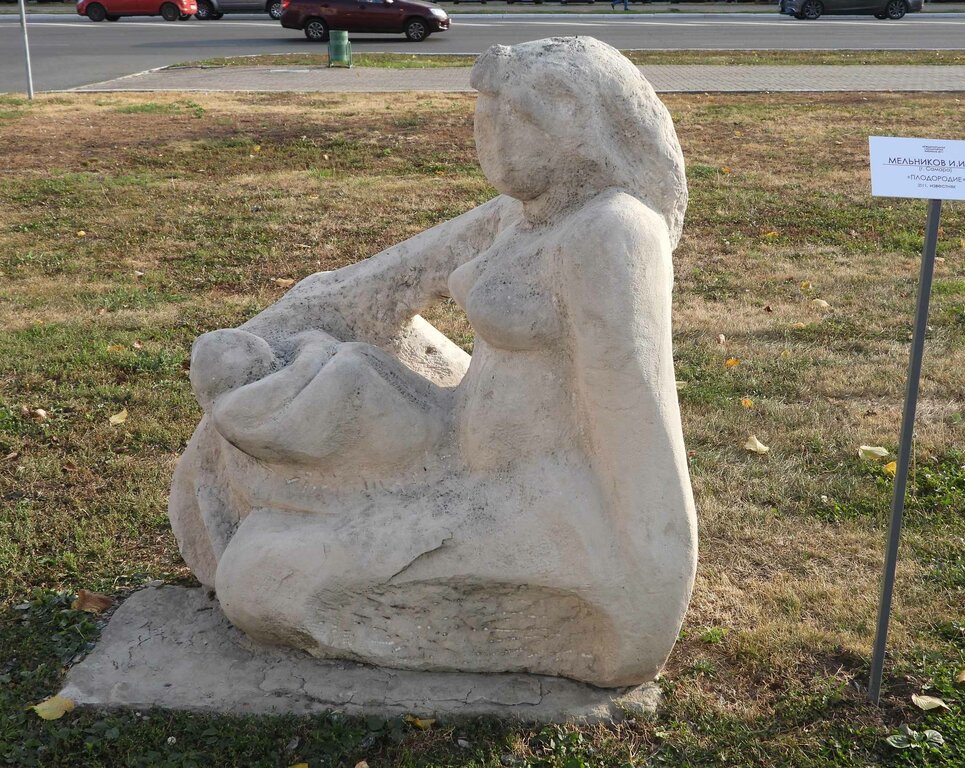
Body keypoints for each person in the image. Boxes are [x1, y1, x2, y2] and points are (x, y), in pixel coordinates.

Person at [171, 37, 696, 688]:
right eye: (485, 117)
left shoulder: (613, 234)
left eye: (518, 119)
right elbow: (372, 286)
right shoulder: (521, 213)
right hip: (457, 447)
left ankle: (549, 616)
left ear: (578, 129)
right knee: (263, 438)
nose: (494, 139)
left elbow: (637, 420)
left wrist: (646, 587)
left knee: (261, 574)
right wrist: (266, 340)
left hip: (536, 501)